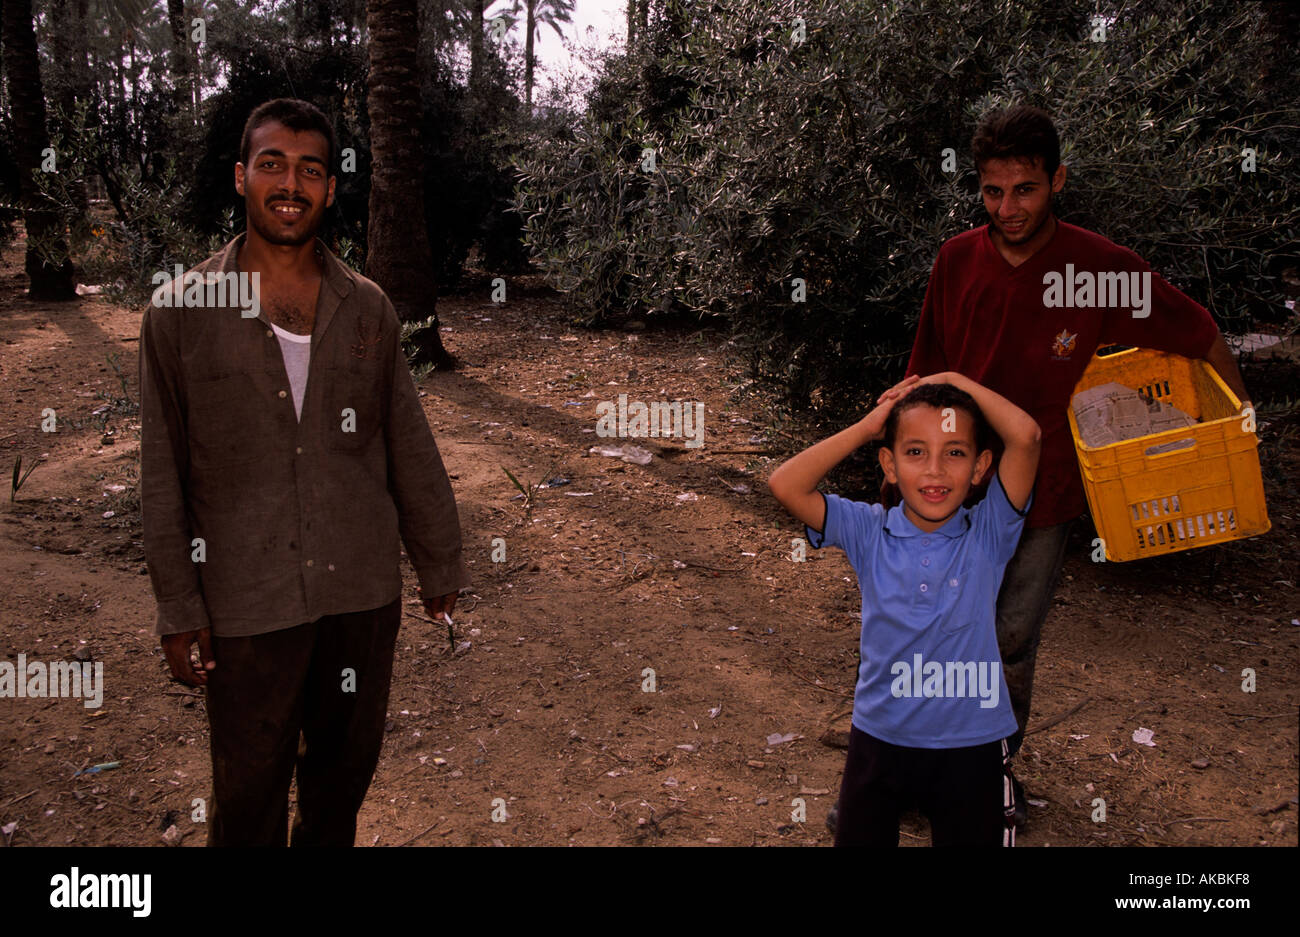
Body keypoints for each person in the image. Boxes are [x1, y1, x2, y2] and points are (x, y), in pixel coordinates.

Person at [826, 104, 1254, 834]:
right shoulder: (958, 261)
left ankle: (987, 773)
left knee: (1009, 639)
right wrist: (896, 468)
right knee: (925, 628)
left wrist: (1240, 414)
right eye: (992, 192)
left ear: (1056, 180)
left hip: (1041, 493)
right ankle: (898, 769)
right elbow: (924, 365)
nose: (1007, 208)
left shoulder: (1097, 270)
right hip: (948, 488)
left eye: (1024, 189)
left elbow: (1198, 330)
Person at [139, 98, 470, 846]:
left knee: (340, 782)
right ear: (240, 177)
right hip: (246, 603)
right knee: (248, 791)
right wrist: (178, 606)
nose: (291, 184)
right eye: (272, 165)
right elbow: (161, 472)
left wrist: (437, 556)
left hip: (358, 595)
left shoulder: (368, 309)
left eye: (310, 170)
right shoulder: (181, 311)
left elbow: (408, 441)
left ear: (329, 188)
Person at [770, 372, 1041, 845]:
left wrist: (954, 378)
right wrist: (867, 426)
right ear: (889, 466)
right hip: (879, 738)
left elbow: (1027, 436)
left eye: (954, 452)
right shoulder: (868, 531)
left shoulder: (990, 533)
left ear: (980, 469)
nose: (934, 471)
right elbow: (786, 484)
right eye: (915, 452)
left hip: (971, 744)